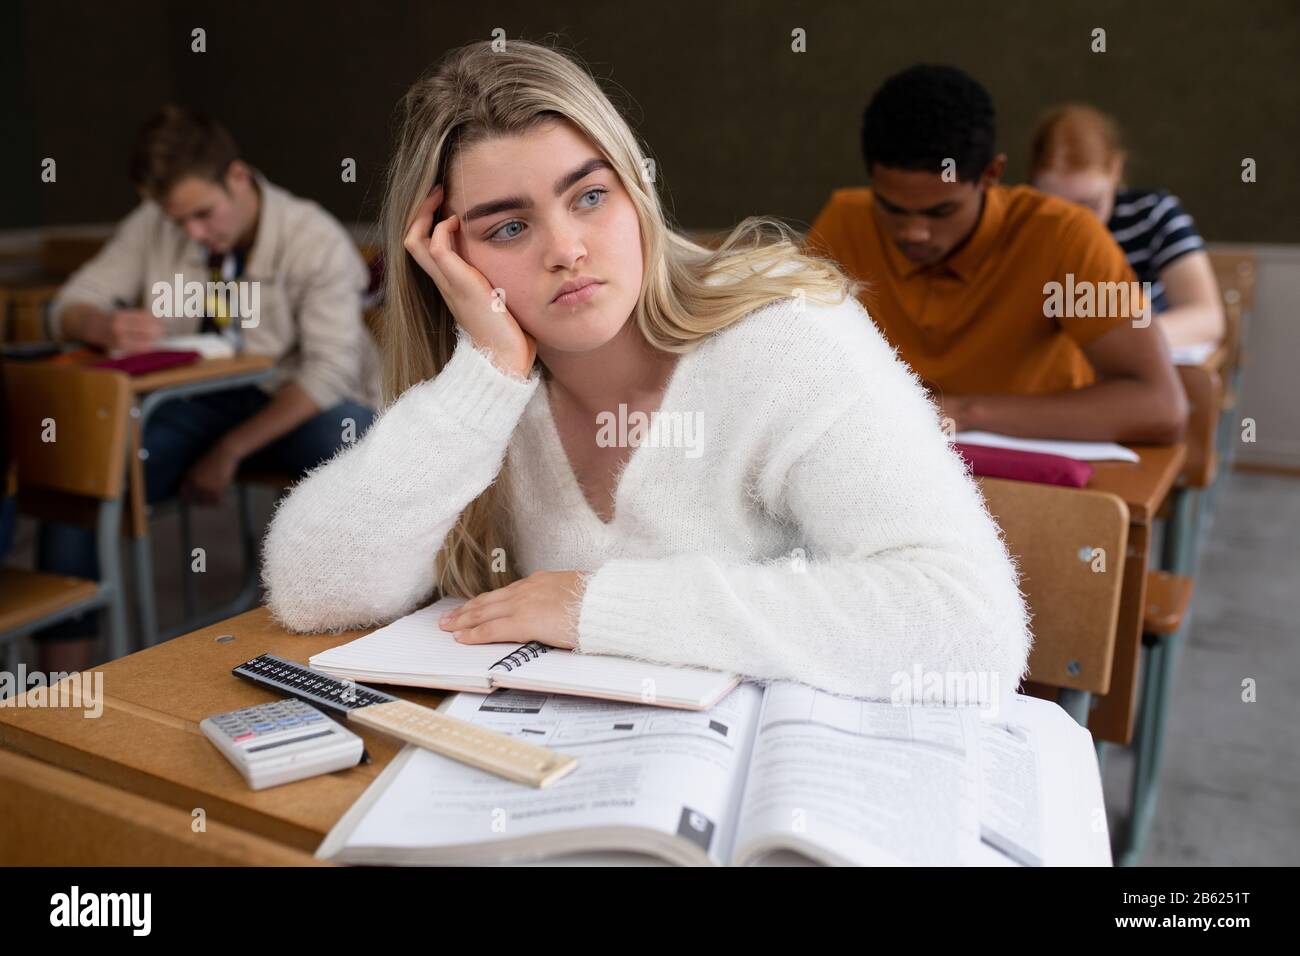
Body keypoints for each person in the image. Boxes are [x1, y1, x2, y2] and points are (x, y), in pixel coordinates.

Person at [261, 40, 1031, 705]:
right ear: (448, 257)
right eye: (510, 226)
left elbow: (969, 626)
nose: (565, 248)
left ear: (638, 193)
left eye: (589, 196)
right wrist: (486, 378)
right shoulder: (482, 395)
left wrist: (595, 609)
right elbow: (313, 592)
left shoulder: (788, 339)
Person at [35, 106, 379, 671]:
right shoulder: (156, 222)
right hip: (189, 407)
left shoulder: (313, 237)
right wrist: (99, 324)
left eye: (203, 215)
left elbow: (326, 376)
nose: (193, 234)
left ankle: (357, 633)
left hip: (285, 407)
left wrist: (230, 451)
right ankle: (55, 694)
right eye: (180, 222)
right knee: (80, 484)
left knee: (359, 441)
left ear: (238, 178)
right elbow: (67, 305)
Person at [806, 65, 1187, 443]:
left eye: (942, 212)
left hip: (1036, 478)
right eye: (891, 208)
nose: (914, 233)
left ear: (991, 174)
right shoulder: (845, 221)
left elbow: (1160, 407)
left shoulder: (1067, 236)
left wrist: (965, 412)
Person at [1029, 103, 1224, 349]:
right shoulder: (1026, 224)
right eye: (1058, 208)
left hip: (1136, 355)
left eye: (1091, 204)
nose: (1077, 222)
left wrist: (1116, 340)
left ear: (1115, 169)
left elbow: (1207, 318)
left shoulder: (1152, 214)